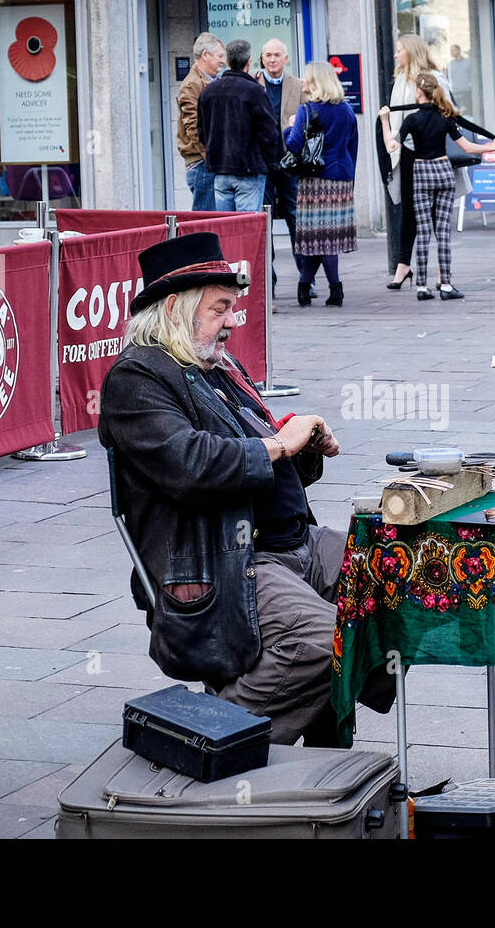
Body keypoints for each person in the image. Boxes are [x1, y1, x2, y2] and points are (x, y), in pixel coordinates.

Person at [98, 231, 393, 745]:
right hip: (222, 559)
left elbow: (265, 459)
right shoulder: (136, 379)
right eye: (220, 309)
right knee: (326, 641)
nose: (234, 321)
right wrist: (279, 445)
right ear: (173, 309)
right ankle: (211, 743)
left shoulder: (217, 367)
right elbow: (190, 464)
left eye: (234, 308)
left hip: (291, 542)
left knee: (397, 584)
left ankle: (323, 753)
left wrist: (301, 445)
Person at [380, 72, 495, 301]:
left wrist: (385, 121)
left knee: (424, 231)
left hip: (422, 173)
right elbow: (467, 147)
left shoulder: (411, 120)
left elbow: (391, 146)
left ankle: (421, 287)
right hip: (443, 171)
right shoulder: (445, 117)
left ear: (418, 92)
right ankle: (446, 284)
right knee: (443, 230)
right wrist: (492, 146)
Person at [284, 61, 358, 309]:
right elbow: (352, 146)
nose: (303, 83)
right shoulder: (346, 110)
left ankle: (335, 288)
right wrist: (351, 178)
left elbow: (293, 145)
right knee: (322, 238)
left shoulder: (306, 111)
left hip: (315, 180)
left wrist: (288, 127)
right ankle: (304, 286)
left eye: (306, 79)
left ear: (316, 82)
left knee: (319, 237)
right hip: (342, 176)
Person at [383, 34, 444, 291]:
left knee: (435, 212)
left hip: (431, 150)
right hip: (406, 151)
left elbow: (446, 109)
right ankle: (403, 265)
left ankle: (443, 271)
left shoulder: (433, 77)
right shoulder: (400, 79)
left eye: (399, 50)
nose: (396, 55)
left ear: (411, 51)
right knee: (408, 209)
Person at [198, 38, 281, 213]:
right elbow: (269, 133)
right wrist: (270, 163)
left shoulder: (208, 92)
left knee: (226, 230)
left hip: (220, 171)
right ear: (249, 61)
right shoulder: (255, 91)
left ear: (226, 61)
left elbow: (202, 133)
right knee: (247, 230)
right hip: (249, 170)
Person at [257, 38, 305, 289]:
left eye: (277, 55)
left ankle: (306, 277)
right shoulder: (254, 84)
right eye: (268, 55)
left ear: (286, 58)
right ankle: (269, 281)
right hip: (263, 163)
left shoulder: (298, 86)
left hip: (290, 162)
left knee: (296, 217)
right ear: (262, 58)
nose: (272, 59)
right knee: (263, 218)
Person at [177, 32, 225, 212]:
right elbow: (193, 127)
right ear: (205, 55)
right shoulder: (192, 84)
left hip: (208, 162)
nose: (223, 61)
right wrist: (211, 156)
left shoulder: (211, 81)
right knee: (205, 224)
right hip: (203, 164)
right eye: (220, 56)